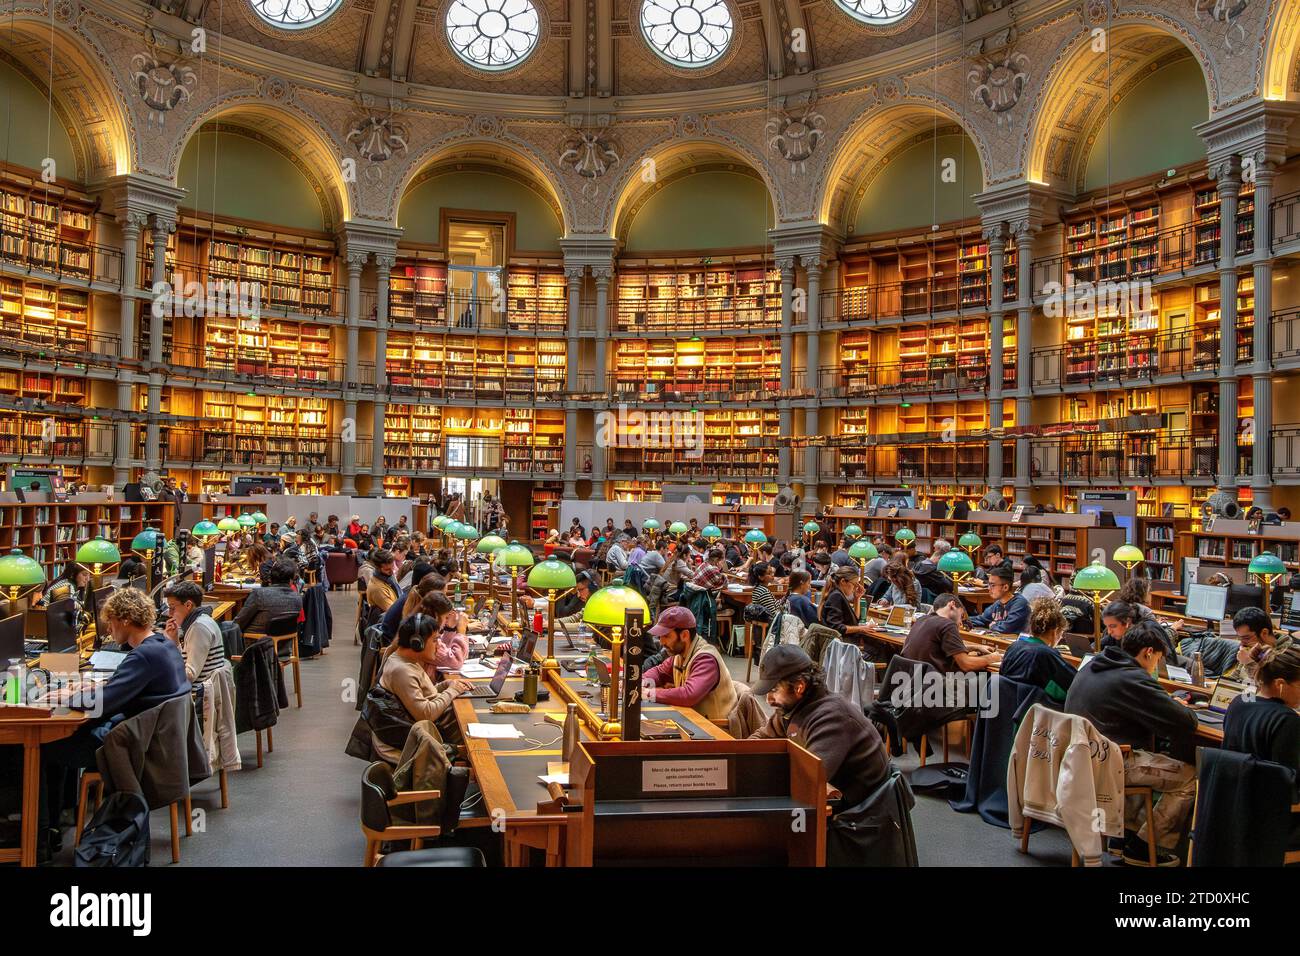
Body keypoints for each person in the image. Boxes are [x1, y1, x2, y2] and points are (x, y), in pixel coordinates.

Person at [41, 588, 190, 831]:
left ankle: (41, 833)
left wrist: (68, 697)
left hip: (134, 745)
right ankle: (61, 819)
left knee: (42, 746)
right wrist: (89, 689)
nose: (108, 629)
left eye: (110, 621)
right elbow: (121, 690)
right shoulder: (163, 644)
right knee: (60, 738)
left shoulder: (144, 656)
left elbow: (102, 704)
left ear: (125, 620)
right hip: (156, 740)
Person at [1064, 620, 1198, 865]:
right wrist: (1176, 705)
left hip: (1081, 758)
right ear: (1149, 652)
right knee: (1188, 777)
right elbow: (1186, 723)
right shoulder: (1132, 678)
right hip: (1108, 763)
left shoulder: (1096, 663)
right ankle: (1145, 846)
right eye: (1158, 657)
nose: (1156, 664)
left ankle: (1122, 837)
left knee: (1142, 752)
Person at [748, 645, 891, 807]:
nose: (768, 699)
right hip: (840, 800)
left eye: (774, 690)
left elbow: (808, 778)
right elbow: (762, 737)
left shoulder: (832, 718)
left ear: (799, 687)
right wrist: (740, 759)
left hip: (863, 814)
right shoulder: (794, 707)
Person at [373, 612, 473, 761]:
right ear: (417, 643)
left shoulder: (408, 660)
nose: (439, 645)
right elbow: (425, 713)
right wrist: (452, 691)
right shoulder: (402, 671)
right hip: (416, 740)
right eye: (435, 640)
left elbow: (424, 693)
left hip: (422, 729)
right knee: (472, 728)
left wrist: (447, 684)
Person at [642, 606, 737, 721]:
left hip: (716, 729)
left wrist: (649, 693)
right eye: (660, 636)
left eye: (666, 636)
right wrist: (640, 683)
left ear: (684, 635)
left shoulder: (706, 659)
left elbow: (689, 695)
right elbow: (659, 672)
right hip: (694, 721)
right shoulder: (679, 654)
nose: (661, 642)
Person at [1222, 647, 1300, 777]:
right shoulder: (1286, 719)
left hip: (1230, 789)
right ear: (1280, 684)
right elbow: (1288, 778)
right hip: (1265, 793)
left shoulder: (1238, 702)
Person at [1000, 597, 1077, 703]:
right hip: (1035, 712)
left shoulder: (1013, 647)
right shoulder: (1046, 654)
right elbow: (1073, 685)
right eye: (1061, 634)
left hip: (1007, 709)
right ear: (1055, 631)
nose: (1060, 638)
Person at [900, 592, 1000, 673]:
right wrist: (991, 658)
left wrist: (975, 647)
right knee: (989, 679)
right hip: (936, 688)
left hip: (911, 685)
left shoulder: (922, 620)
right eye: (961, 615)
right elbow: (966, 664)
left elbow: (940, 647)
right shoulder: (947, 624)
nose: (960, 622)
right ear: (952, 605)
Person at [164, 580, 227, 683]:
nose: (169, 614)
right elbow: (185, 661)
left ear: (188, 605)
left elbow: (190, 675)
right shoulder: (200, 620)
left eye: (172, 607)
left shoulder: (199, 628)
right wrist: (174, 641)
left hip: (196, 695)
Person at [1222, 606, 1293, 683]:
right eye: (1240, 638)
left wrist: (1249, 662)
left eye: (1246, 638)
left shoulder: (1289, 656)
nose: (1242, 643)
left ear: (1264, 633)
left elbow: (1266, 686)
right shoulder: (1251, 647)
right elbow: (1234, 678)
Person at [235, 558, 304, 635]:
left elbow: (239, 622)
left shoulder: (259, 594)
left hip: (257, 642)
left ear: (271, 576)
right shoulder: (298, 598)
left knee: (228, 626)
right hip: (285, 643)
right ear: (291, 580)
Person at [819, 566, 879, 644]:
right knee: (878, 650)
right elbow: (836, 627)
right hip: (842, 646)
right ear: (843, 581)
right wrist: (861, 628)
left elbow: (855, 620)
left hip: (843, 643)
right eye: (854, 584)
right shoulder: (836, 596)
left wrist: (857, 598)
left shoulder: (838, 594)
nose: (855, 588)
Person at [966, 566, 1030, 634]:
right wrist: (962, 619)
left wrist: (993, 625)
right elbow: (981, 619)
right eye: (989, 584)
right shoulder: (998, 604)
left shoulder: (1020, 603)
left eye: (992, 585)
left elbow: (1007, 628)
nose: (989, 588)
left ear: (1005, 587)